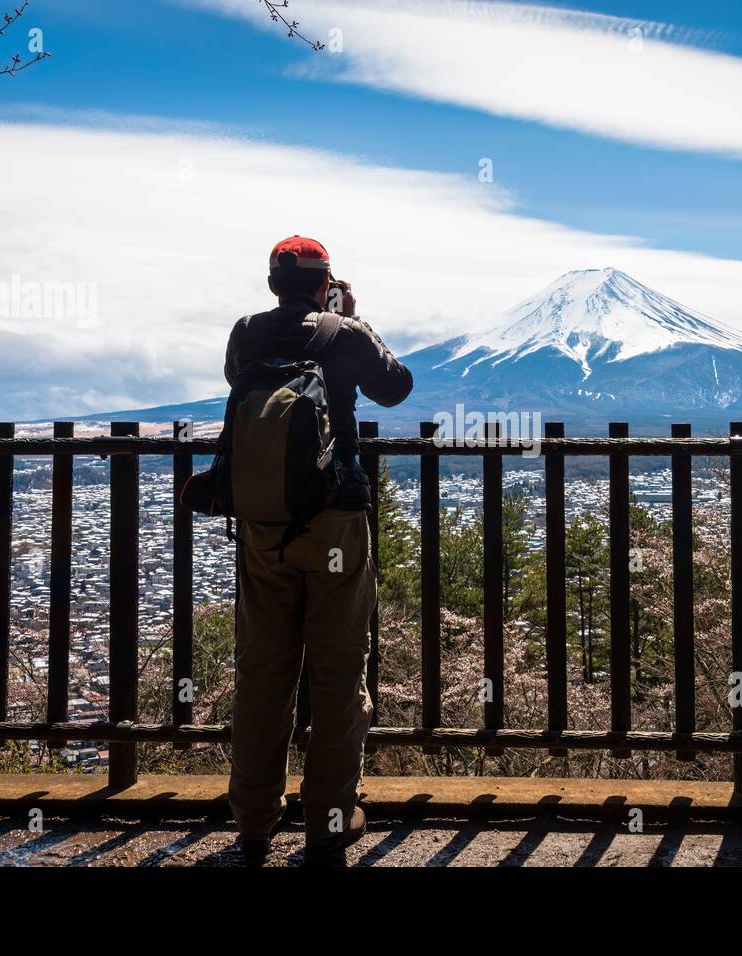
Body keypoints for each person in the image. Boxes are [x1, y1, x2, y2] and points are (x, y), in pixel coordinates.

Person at [222, 235, 413, 866]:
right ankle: (330, 820)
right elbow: (396, 388)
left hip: (262, 527)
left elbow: (239, 385)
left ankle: (253, 815)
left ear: (273, 281)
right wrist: (352, 317)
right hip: (333, 521)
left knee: (263, 671)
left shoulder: (246, 334)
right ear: (325, 280)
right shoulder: (344, 334)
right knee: (336, 671)